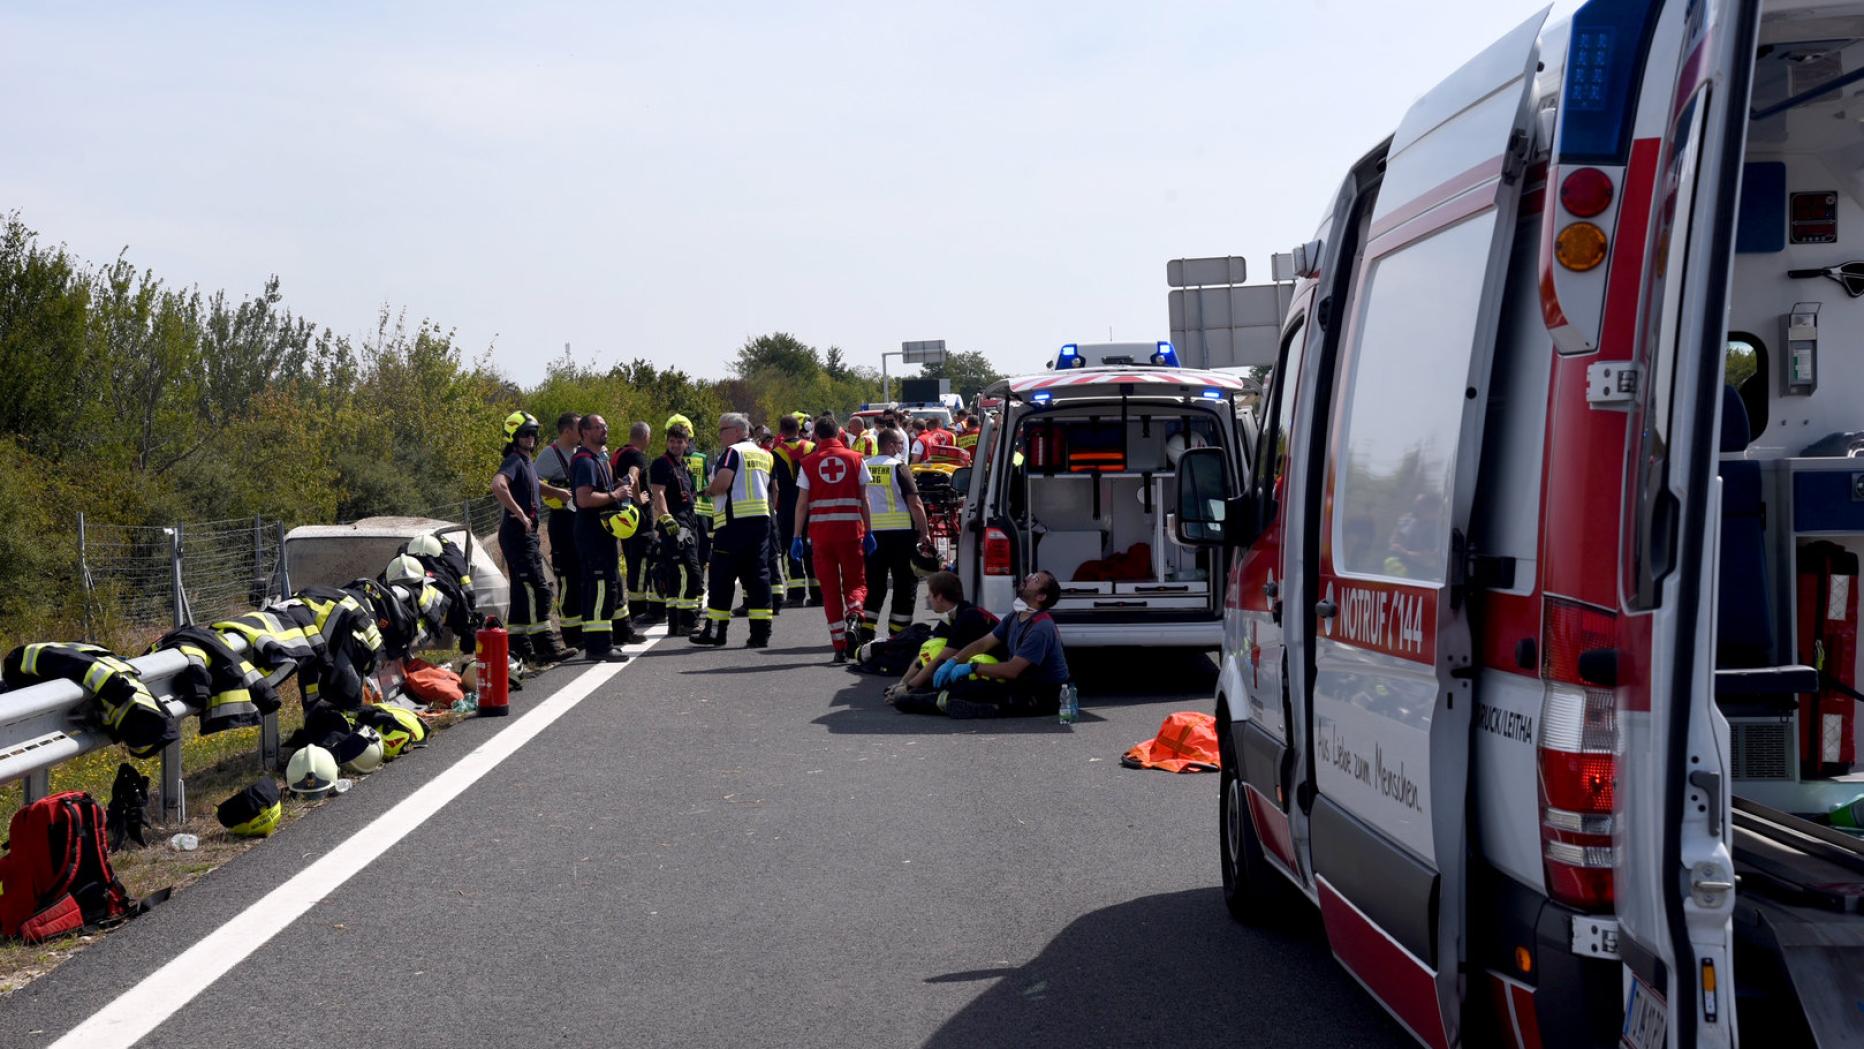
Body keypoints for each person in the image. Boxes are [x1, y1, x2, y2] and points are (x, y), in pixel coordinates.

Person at [894, 571, 1070, 718]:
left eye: (1035, 579)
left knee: (972, 690)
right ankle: (942, 699)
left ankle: (976, 706)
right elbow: (983, 643)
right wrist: (954, 661)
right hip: (1023, 684)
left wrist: (973, 667)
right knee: (966, 686)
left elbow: (1012, 670)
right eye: (1031, 575)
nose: (1028, 578)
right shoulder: (1016, 616)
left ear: (1041, 596)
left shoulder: (1040, 628)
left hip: (1043, 696)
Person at [491, 411, 571, 666]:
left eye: (533, 434)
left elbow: (534, 483)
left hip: (524, 536)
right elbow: (498, 485)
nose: (530, 438)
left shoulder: (526, 461)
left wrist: (557, 492)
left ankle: (519, 648)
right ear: (513, 437)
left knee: (521, 590)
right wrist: (521, 515)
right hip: (518, 535)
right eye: (525, 434)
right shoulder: (514, 461)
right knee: (538, 589)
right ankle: (545, 647)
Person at [794, 414, 873, 662]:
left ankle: (839, 647)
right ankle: (855, 615)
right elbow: (864, 500)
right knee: (856, 584)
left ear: (816, 435)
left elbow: (802, 504)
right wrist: (869, 532)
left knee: (829, 591)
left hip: (821, 536)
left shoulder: (808, 463)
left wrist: (796, 536)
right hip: (851, 533)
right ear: (839, 433)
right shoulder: (856, 459)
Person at [694, 412, 775, 648]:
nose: (719, 435)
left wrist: (708, 490)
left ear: (737, 431)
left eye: (722, 430)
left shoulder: (732, 452)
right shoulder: (763, 454)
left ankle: (715, 632)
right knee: (758, 577)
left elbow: (722, 484)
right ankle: (760, 633)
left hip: (733, 524)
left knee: (721, 578)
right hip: (761, 522)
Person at [572, 413, 634, 662]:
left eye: (605, 426)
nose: (604, 430)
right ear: (585, 432)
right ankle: (598, 646)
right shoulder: (585, 461)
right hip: (592, 536)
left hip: (603, 534)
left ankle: (605, 642)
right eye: (598, 427)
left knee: (607, 587)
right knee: (598, 589)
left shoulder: (599, 459)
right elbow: (583, 498)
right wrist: (615, 495)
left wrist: (619, 487)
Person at [859, 426, 929, 642]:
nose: (901, 447)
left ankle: (865, 631)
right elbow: (915, 504)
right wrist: (924, 532)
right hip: (901, 535)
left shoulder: (864, 465)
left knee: (874, 585)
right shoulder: (899, 467)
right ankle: (898, 635)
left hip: (872, 535)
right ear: (890, 445)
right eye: (900, 444)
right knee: (904, 585)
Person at [883, 571, 997, 699]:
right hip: (976, 662)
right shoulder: (954, 615)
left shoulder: (967, 617)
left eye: (930, 594)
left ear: (940, 597)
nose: (927, 598)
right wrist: (903, 683)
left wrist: (908, 689)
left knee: (943, 663)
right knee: (932, 646)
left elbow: (942, 657)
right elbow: (924, 654)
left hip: (991, 668)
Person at [650, 415, 705, 637]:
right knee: (689, 572)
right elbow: (658, 493)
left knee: (676, 574)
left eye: (679, 441)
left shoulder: (683, 465)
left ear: (686, 443)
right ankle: (687, 621)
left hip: (688, 521)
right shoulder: (662, 464)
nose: (675, 445)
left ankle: (675, 623)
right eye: (671, 441)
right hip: (677, 524)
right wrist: (665, 516)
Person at [534, 411, 584, 651]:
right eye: (579, 428)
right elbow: (533, 482)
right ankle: (571, 634)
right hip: (562, 521)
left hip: (581, 520)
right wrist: (558, 493)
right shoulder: (549, 454)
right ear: (566, 431)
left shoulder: (581, 452)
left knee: (583, 575)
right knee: (568, 577)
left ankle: (585, 628)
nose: (583, 431)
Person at [612, 421, 660, 626]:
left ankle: (635, 606)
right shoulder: (637, 456)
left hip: (623, 520)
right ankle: (639, 608)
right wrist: (639, 498)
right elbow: (632, 476)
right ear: (645, 437)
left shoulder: (618, 453)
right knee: (641, 562)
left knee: (632, 560)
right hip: (638, 520)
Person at [771, 415, 817, 609]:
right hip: (811, 504)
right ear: (799, 429)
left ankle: (796, 594)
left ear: (781, 431)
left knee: (790, 550)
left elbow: (774, 485)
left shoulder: (776, 452)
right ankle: (818, 593)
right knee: (812, 548)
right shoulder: (812, 448)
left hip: (787, 506)